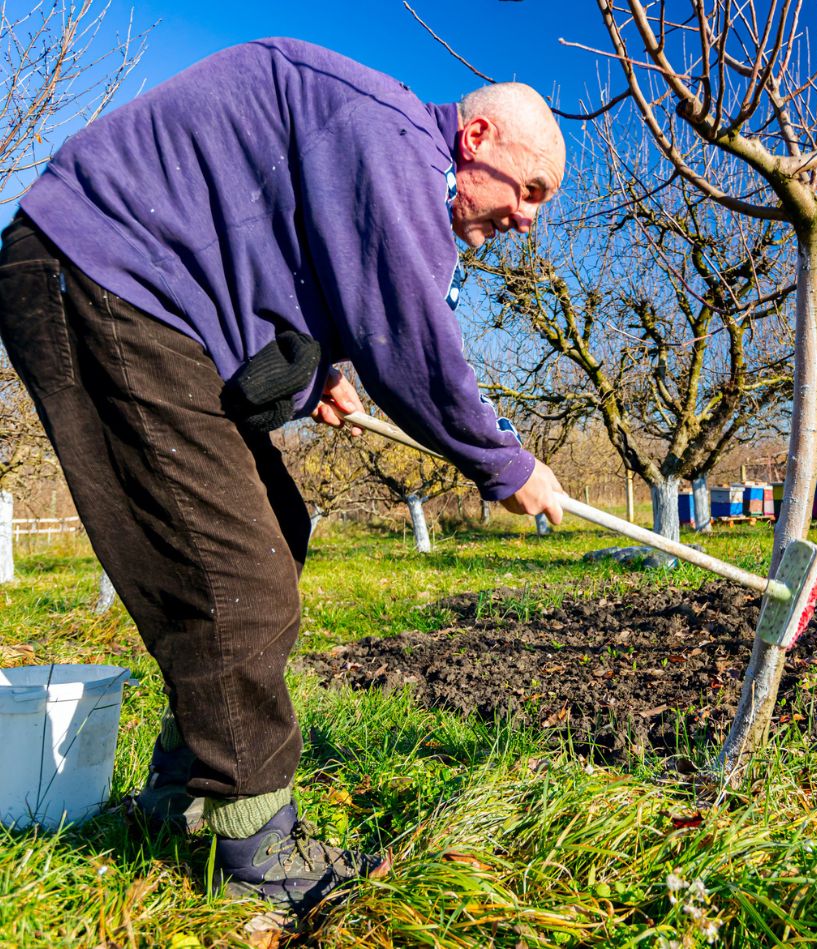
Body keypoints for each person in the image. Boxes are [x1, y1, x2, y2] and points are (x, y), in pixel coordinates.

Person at [0, 38, 566, 917]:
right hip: (99, 269)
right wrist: (505, 463)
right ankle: (258, 846)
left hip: (149, 293)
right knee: (242, 580)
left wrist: (317, 375)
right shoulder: (391, 143)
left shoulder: (372, 147)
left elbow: (281, 299)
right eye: (529, 190)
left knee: (276, 528)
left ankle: (183, 788)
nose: (529, 219)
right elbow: (410, 337)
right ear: (476, 134)